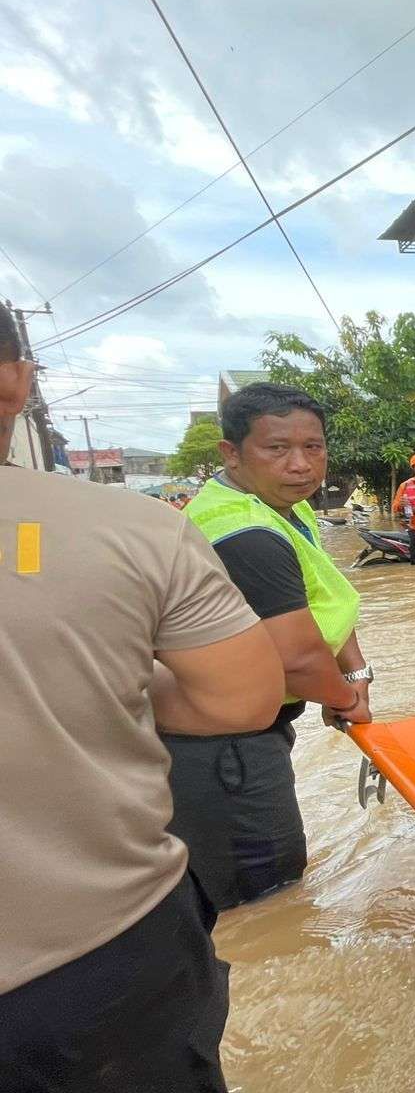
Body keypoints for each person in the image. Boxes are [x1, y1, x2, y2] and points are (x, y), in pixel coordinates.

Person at [0, 309, 286, 1092]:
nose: (301, 464)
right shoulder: (140, 528)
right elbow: (246, 694)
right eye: (282, 448)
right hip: (98, 956)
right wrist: (97, 686)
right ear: (18, 379)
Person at [168, 382, 374, 913]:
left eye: (314, 447)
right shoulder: (243, 531)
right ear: (231, 454)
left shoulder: (282, 506)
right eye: (277, 448)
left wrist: (354, 672)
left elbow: (322, 595)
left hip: (243, 730)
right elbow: (297, 658)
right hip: (225, 749)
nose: (301, 465)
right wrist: (348, 700)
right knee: (265, 900)